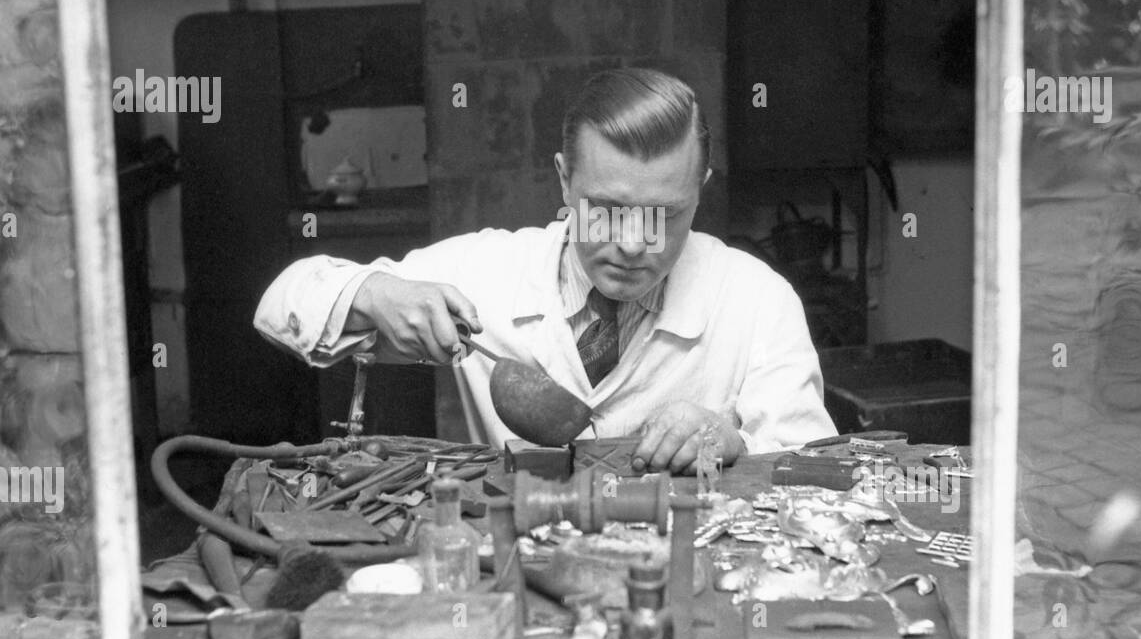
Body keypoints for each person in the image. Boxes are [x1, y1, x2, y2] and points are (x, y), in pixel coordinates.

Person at [254, 68, 836, 472]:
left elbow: (815, 469)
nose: (633, 245)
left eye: (665, 214)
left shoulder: (757, 298)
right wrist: (374, 293)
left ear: (700, 190)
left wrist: (734, 440)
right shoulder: (487, 270)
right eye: (605, 211)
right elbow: (282, 303)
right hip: (528, 566)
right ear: (564, 181)